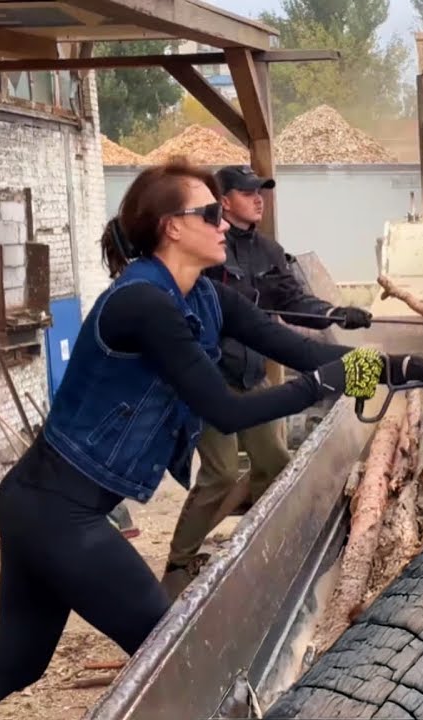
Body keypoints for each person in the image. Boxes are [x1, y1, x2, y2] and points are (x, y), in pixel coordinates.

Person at [0, 158, 423, 720]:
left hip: (43, 504)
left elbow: (301, 351)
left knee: (16, 664)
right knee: (181, 661)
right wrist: (320, 387)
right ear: (171, 227)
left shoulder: (206, 296)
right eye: (209, 213)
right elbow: (225, 411)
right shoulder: (143, 304)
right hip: (58, 513)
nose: (224, 223)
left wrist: (405, 366)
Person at [160, 164, 374, 599]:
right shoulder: (206, 256)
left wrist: (336, 314)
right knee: (220, 474)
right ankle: (179, 563)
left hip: (252, 372)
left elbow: (294, 301)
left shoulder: (267, 251)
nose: (259, 198)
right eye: (248, 191)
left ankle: (260, 552)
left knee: (275, 463)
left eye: (261, 191)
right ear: (224, 200)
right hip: (208, 380)